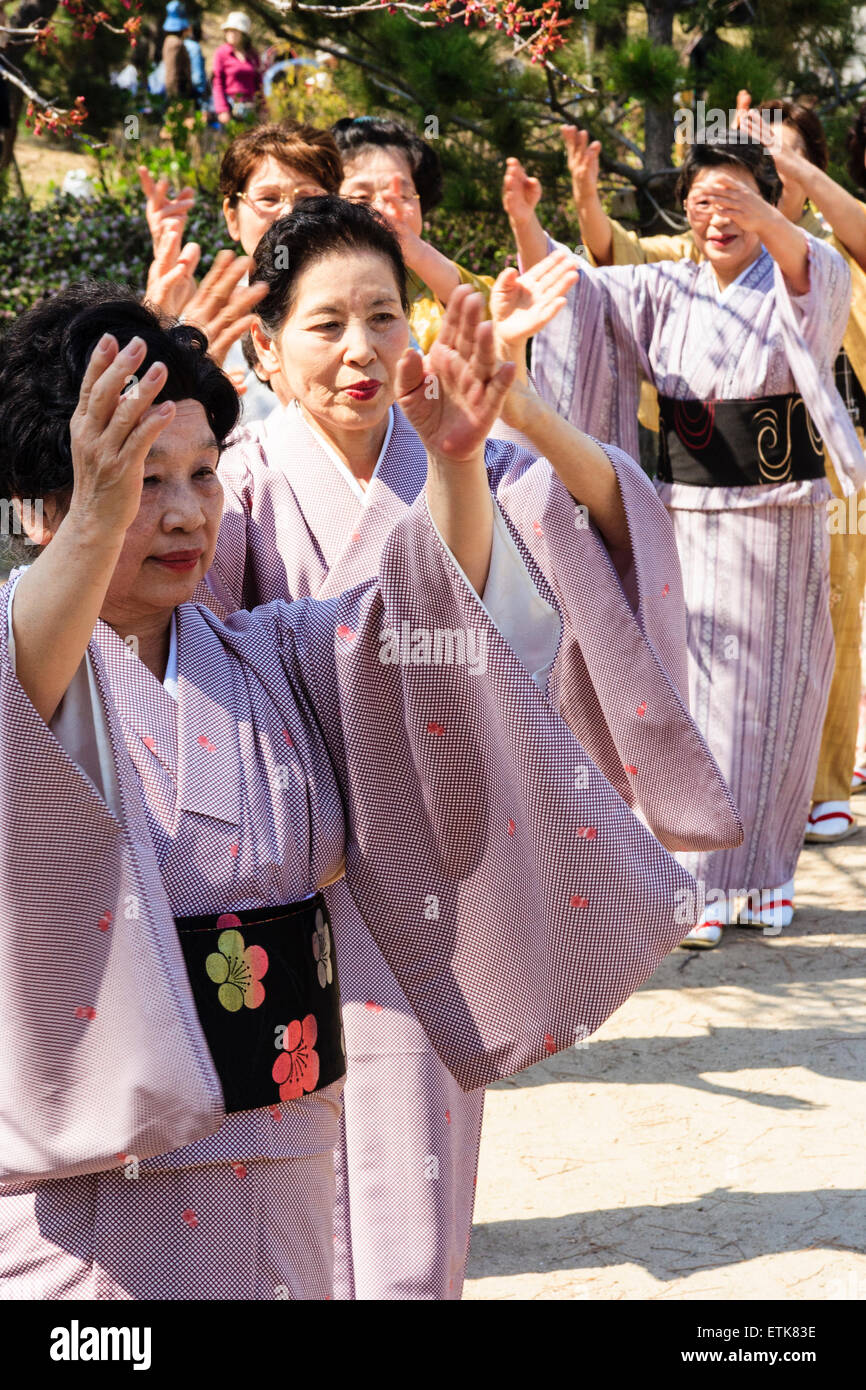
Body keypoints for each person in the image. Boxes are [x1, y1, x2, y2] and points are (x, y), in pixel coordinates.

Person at [0, 278, 717, 1299]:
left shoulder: (273, 656)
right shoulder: (22, 670)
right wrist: (92, 518)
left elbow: (430, 638)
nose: (181, 511)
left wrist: (458, 467)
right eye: (135, 480)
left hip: (284, 1159)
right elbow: (23, 682)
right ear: (49, 510)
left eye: (202, 474)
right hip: (91, 1205)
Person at [198, 196, 742, 1295]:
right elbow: (177, 663)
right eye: (324, 323)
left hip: (427, 876)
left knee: (408, 1207)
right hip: (279, 882)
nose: (361, 350)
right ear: (264, 343)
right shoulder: (237, 484)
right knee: (271, 1196)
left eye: (383, 316)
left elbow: (598, 534)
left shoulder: (460, 453)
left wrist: (517, 418)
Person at [510, 135, 863, 948]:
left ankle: (766, 873)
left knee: (774, 698)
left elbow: (823, 280)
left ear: (770, 205)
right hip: (685, 513)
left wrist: (772, 208)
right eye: (702, 200)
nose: (717, 215)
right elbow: (578, 296)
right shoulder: (665, 287)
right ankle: (695, 876)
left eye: (735, 198)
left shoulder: (796, 271)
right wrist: (534, 224)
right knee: (694, 699)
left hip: (780, 513)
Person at [139, 121, 341, 419]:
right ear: (231, 217)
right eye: (268, 198)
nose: (287, 213)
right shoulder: (207, 320)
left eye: (308, 199)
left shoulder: (373, 300)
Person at [333, 116, 495, 351]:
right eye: (361, 198)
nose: (382, 209)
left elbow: (492, 310)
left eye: (402, 195)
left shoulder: (437, 280)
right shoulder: (309, 282)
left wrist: (414, 250)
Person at [212, 11, 262, 125]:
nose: (231, 34)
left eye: (234, 30)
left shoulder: (253, 55)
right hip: (230, 107)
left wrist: (263, 107)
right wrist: (222, 109)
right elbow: (217, 82)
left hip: (250, 107)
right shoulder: (222, 53)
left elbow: (259, 82)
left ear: (243, 34)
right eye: (228, 30)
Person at [162, 1, 192, 102]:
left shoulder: (170, 41)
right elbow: (172, 74)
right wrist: (174, 99)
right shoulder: (174, 43)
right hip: (178, 96)